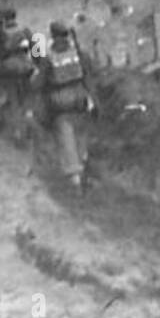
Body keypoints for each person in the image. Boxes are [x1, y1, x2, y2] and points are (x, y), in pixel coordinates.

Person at [35, 21, 96, 195]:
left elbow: (39, 83)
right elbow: (90, 72)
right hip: (80, 99)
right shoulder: (78, 53)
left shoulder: (48, 57)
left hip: (60, 102)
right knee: (80, 134)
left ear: (53, 35)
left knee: (66, 138)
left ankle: (75, 179)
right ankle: (83, 162)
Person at [0, 7, 35, 140]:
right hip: (26, 67)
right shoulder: (25, 30)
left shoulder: (2, 33)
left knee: (13, 99)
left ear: (4, 19)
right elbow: (35, 48)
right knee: (27, 97)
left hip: (9, 69)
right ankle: (30, 122)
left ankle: (18, 132)